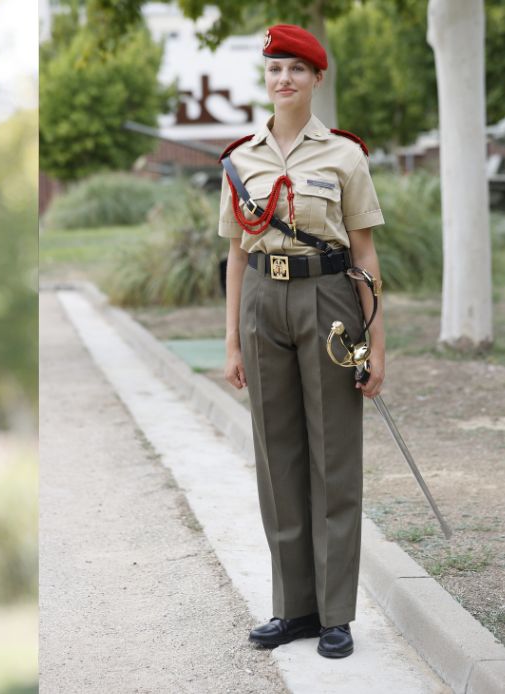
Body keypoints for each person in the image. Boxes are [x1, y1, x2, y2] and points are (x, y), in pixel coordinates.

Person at [218, 24, 385, 659]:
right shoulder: (242, 158)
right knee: (277, 457)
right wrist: (232, 338)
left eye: (295, 69)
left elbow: (365, 254)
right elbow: (236, 253)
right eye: (273, 69)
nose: (282, 79)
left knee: (333, 458)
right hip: (264, 299)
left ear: (318, 79)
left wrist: (377, 348)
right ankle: (293, 609)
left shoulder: (345, 156)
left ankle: (336, 613)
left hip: (331, 303)